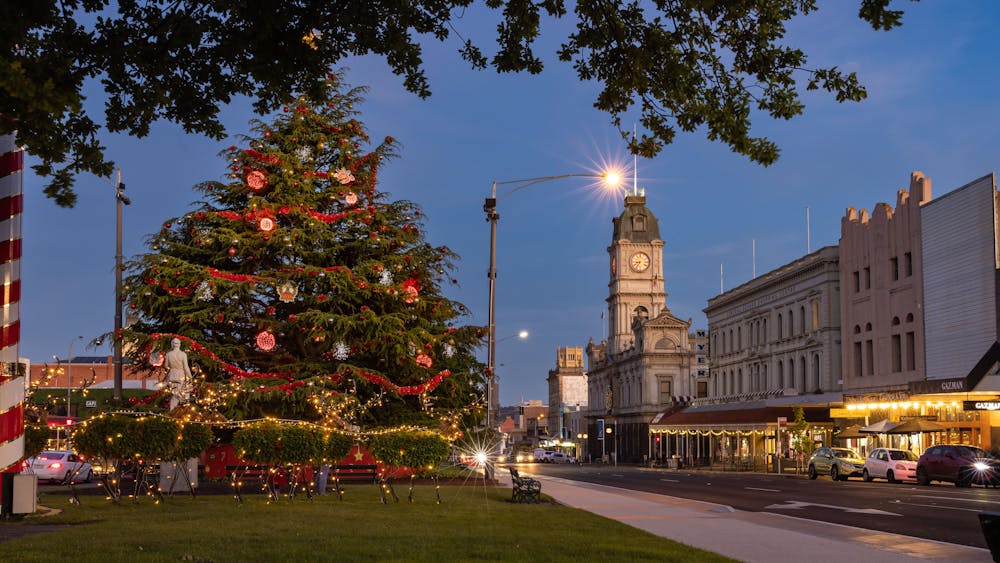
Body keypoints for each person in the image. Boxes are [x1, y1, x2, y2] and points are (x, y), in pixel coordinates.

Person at [164, 338, 193, 409]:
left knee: (174, 394)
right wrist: (190, 377)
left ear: (172, 345)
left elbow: (166, 365)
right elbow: (186, 367)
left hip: (172, 374)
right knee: (183, 393)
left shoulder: (168, 354)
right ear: (179, 345)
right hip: (181, 374)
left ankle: (172, 412)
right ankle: (182, 412)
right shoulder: (183, 354)